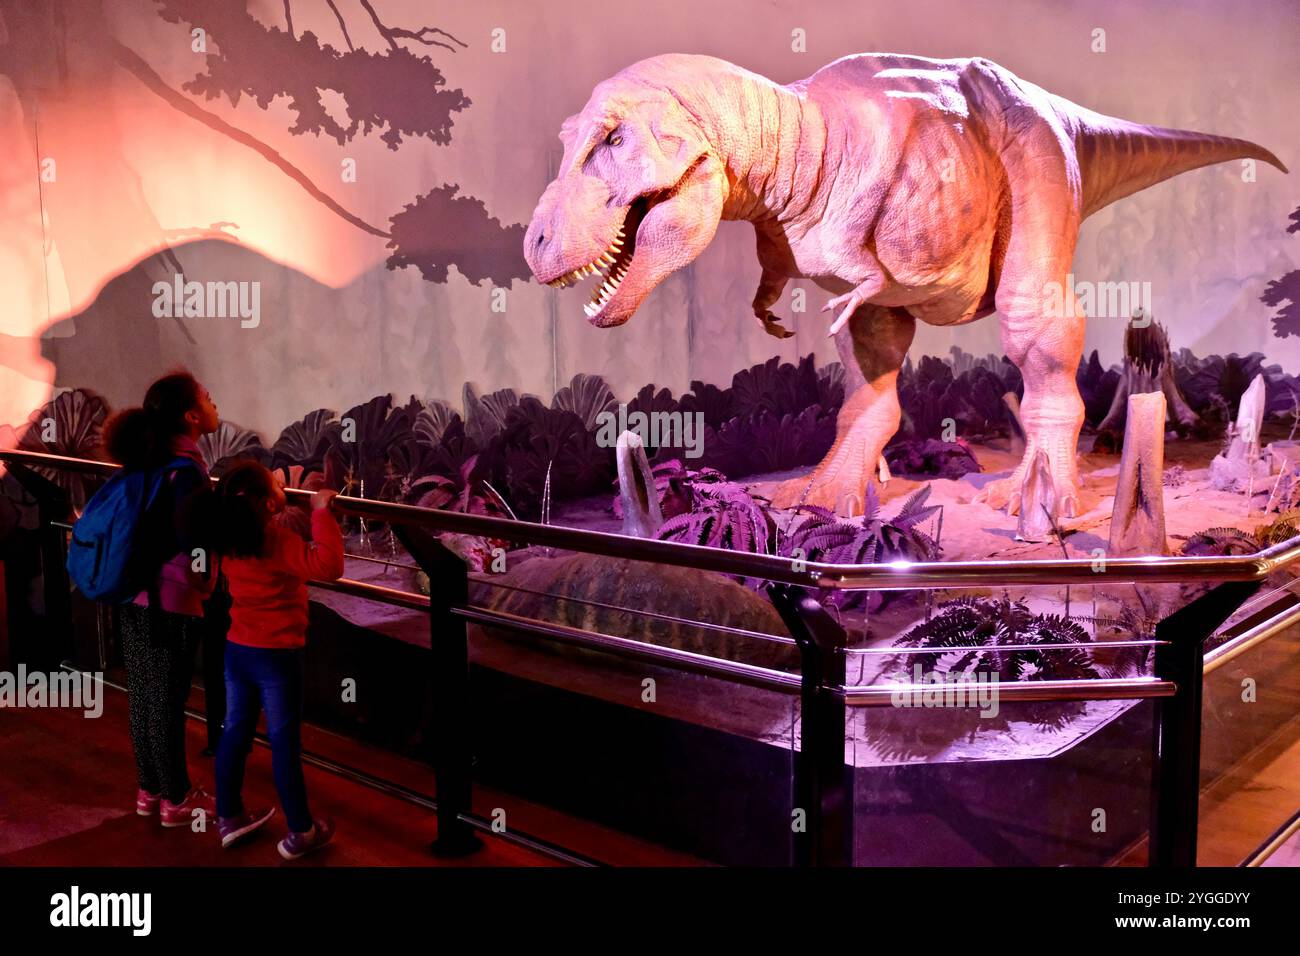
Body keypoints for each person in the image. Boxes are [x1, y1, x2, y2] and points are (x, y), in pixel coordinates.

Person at [102, 370, 220, 826]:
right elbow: (196, 541)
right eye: (208, 398)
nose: (215, 405)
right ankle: (176, 799)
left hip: (133, 595)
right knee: (168, 701)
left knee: (144, 697)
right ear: (191, 416)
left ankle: (148, 790)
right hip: (170, 602)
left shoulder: (147, 461)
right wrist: (207, 584)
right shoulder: (187, 471)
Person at [210, 461, 344, 859]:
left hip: (237, 651)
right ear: (270, 503)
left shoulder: (229, 544)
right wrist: (320, 512)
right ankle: (300, 830)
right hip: (278, 658)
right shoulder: (278, 542)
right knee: (284, 743)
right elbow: (329, 565)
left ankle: (228, 816)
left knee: (234, 733)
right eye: (275, 483)